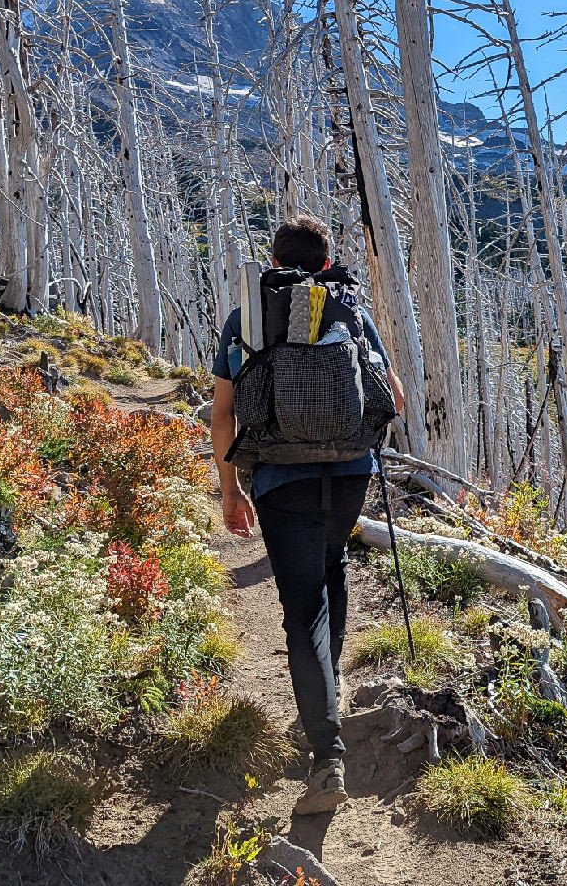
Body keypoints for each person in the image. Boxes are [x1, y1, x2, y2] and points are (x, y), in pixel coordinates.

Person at [208, 215, 405, 816]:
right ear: (324, 263)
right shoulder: (348, 307)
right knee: (333, 561)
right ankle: (329, 690)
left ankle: (327, 755)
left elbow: (223, 415)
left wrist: (229, 487)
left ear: (273, 259)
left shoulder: (248, 316)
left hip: (278, 479)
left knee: (301, 610)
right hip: (348, 474)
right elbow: (392, 395)